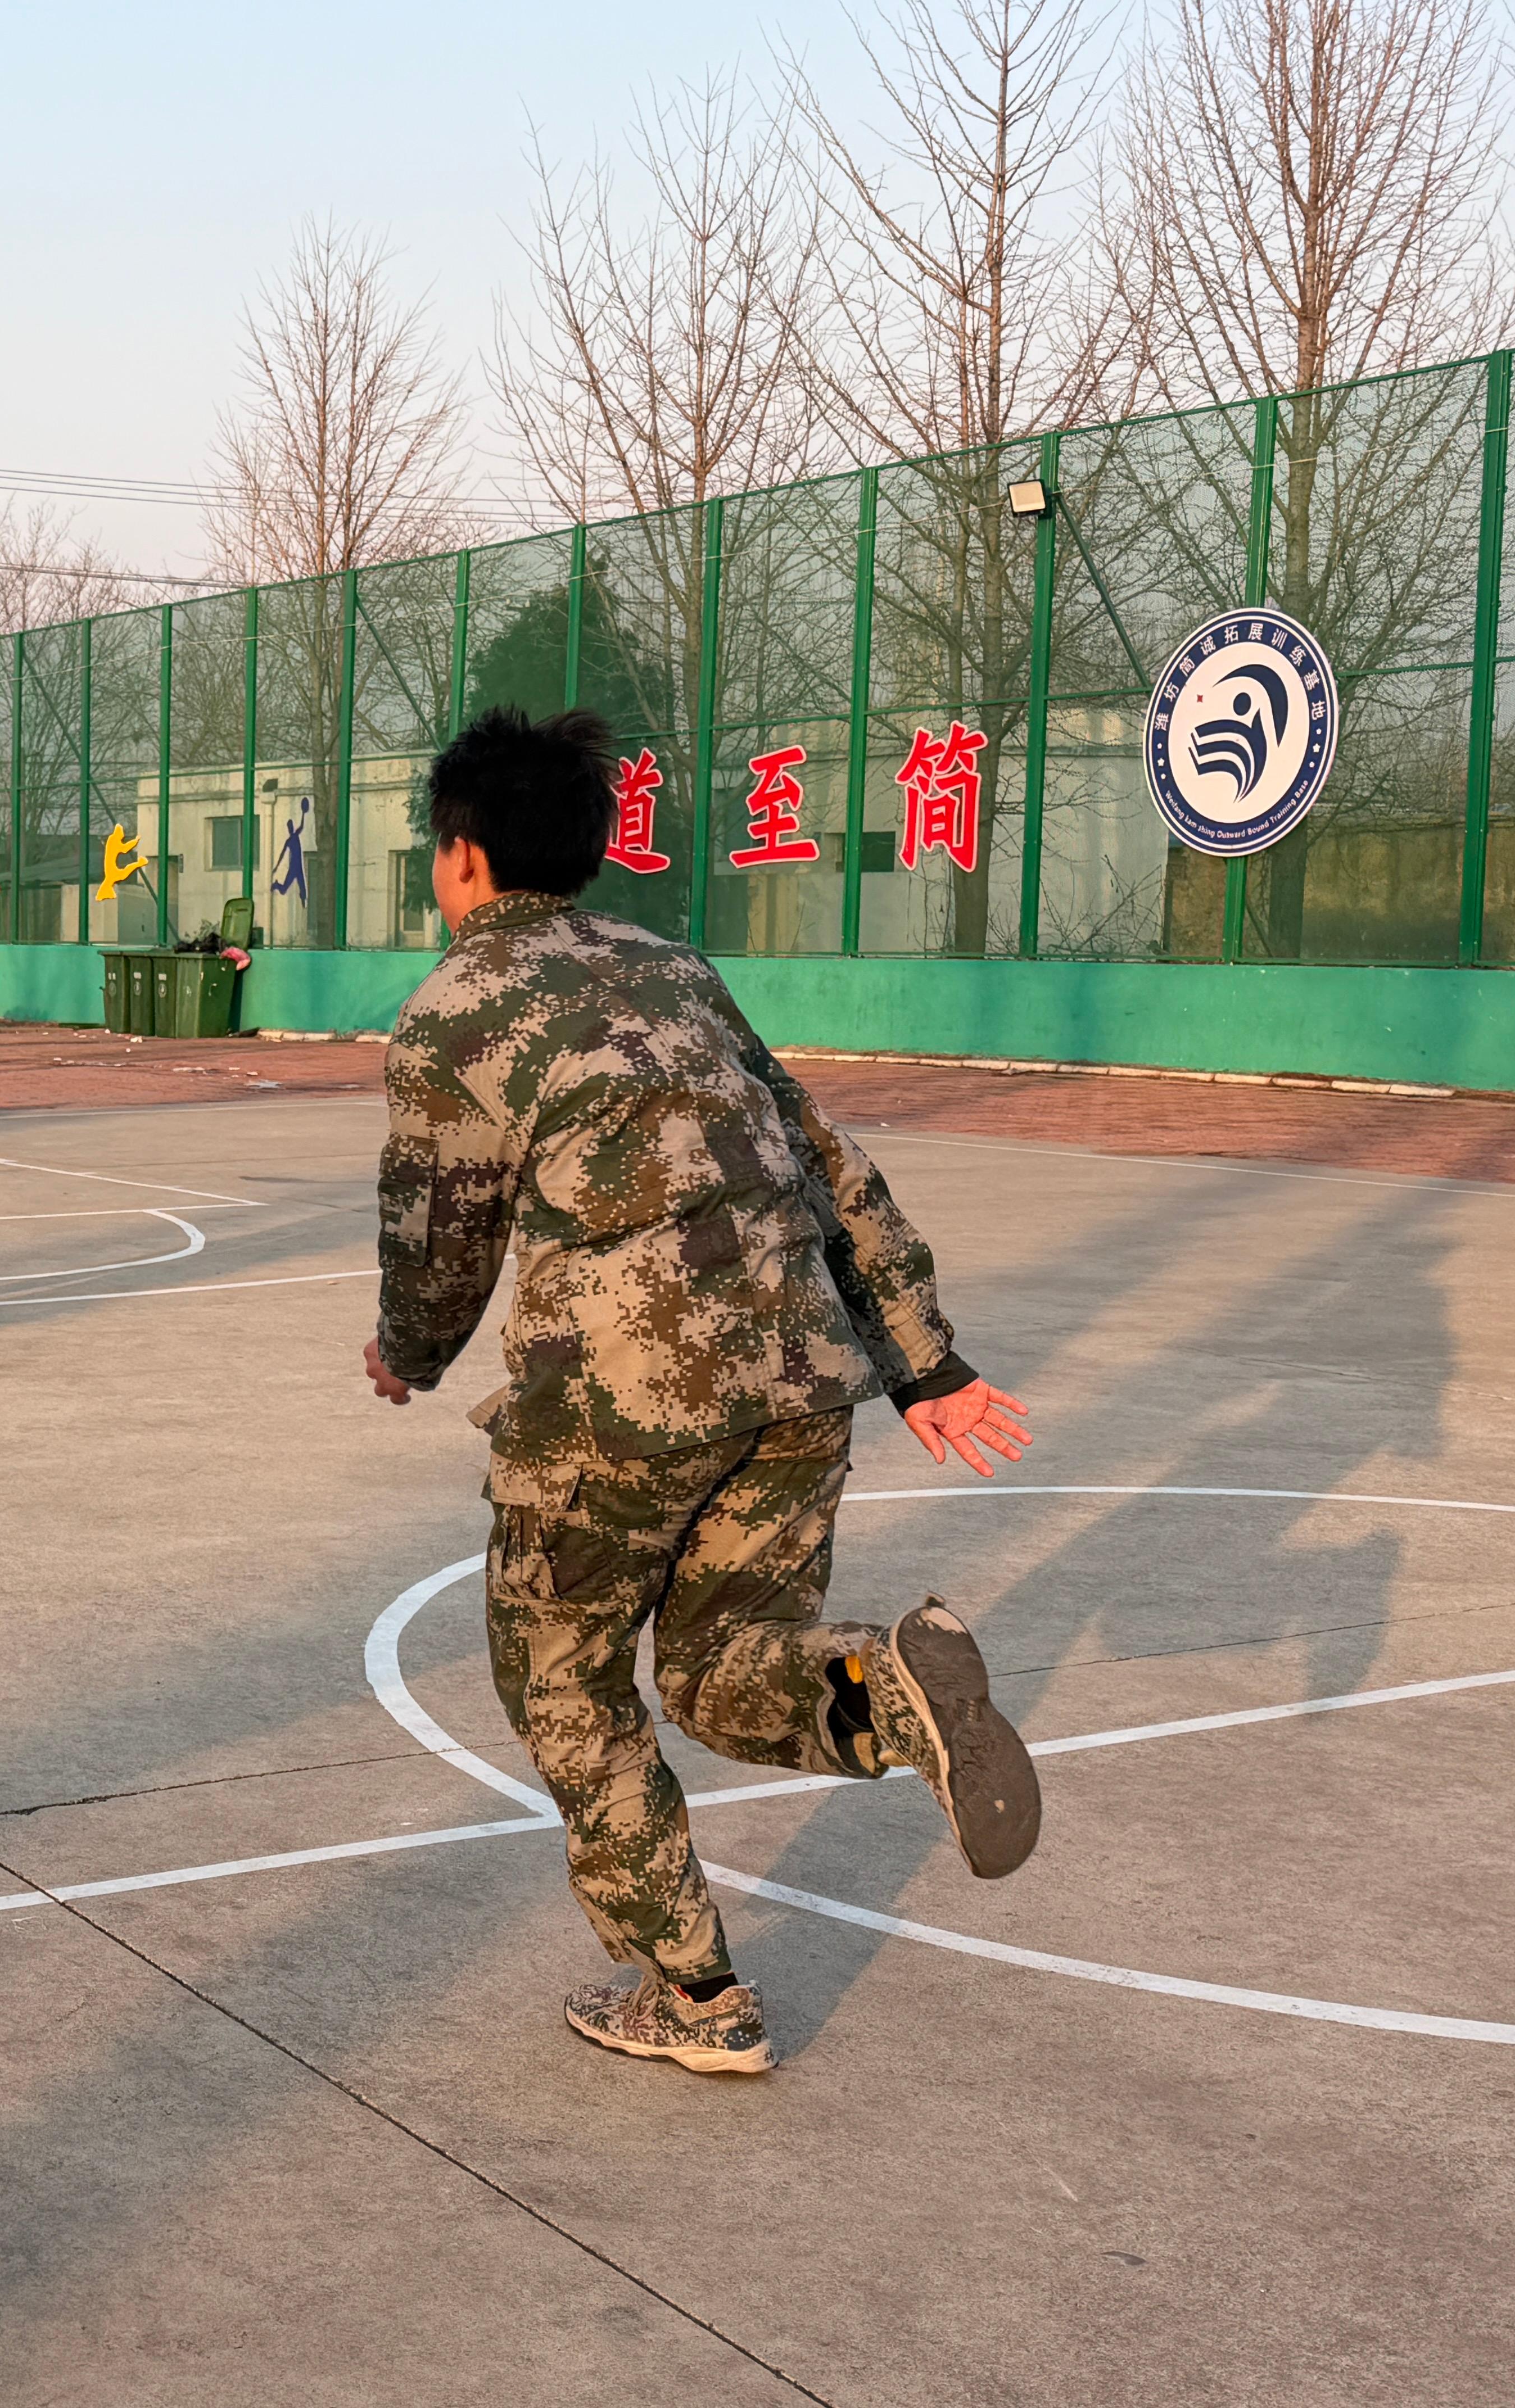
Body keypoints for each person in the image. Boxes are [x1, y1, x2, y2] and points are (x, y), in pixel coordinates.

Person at [365, 704, 1039, 2079]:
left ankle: (696, 1995)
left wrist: (411, 1351)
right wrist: (922, 1361)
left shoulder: (452, 1008)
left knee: (565, 1684)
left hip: (619, 1404)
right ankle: (893, 1694)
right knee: (726, 1670)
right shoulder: (677, 971)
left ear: (462, 855)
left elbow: (441, 1232)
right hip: (800, 1381)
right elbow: (823, 1160)